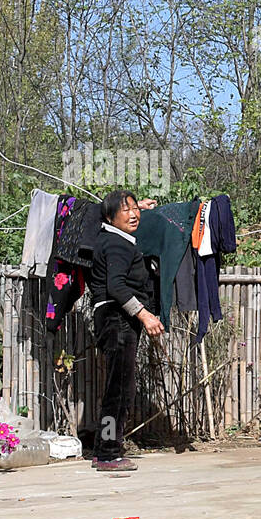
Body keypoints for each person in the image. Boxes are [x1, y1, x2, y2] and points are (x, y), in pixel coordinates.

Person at [88, 190, 165, 471]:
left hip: (116, 319)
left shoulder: (110, 237)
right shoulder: (117, 244)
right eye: (126, 210)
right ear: (110, 218)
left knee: (117, 387)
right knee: (119, 390)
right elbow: (116, 287)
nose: (134, 215)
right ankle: (109, 453)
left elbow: (96, 212)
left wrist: (135, 205)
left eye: (136, 209)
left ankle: (103, 450)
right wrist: (145, 315)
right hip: (116, 318)